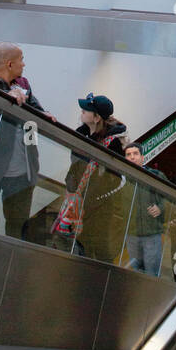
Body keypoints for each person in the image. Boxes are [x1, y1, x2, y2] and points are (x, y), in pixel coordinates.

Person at [0, 44, 49, 239]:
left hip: (23, 173)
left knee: (18, 227)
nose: (24, 63)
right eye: (21, 59)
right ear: (10, 63)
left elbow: (35, 115)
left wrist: (43, 116)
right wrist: (6, 98)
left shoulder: (23, 84)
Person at [53, 94, 128, 262]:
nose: (82, 111)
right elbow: (75, 167)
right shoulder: (82, 135)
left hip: (98, 207)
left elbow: (113, 179)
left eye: (86, 109)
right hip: (79, 200)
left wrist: (88, 201)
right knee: (78, 241)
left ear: (96, 117)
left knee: (97, 244)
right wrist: (71, 188)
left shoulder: (113, 144)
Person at [122, 144, 174, 277]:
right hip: (131, 234)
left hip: (152, 234)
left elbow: (171, 197)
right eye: (128, 154)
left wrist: (160, 208)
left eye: (135, 154)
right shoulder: (121, 178)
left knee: (151, 272)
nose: (132, 157)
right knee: (137, 271)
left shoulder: (155, 176)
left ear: (142, 157)